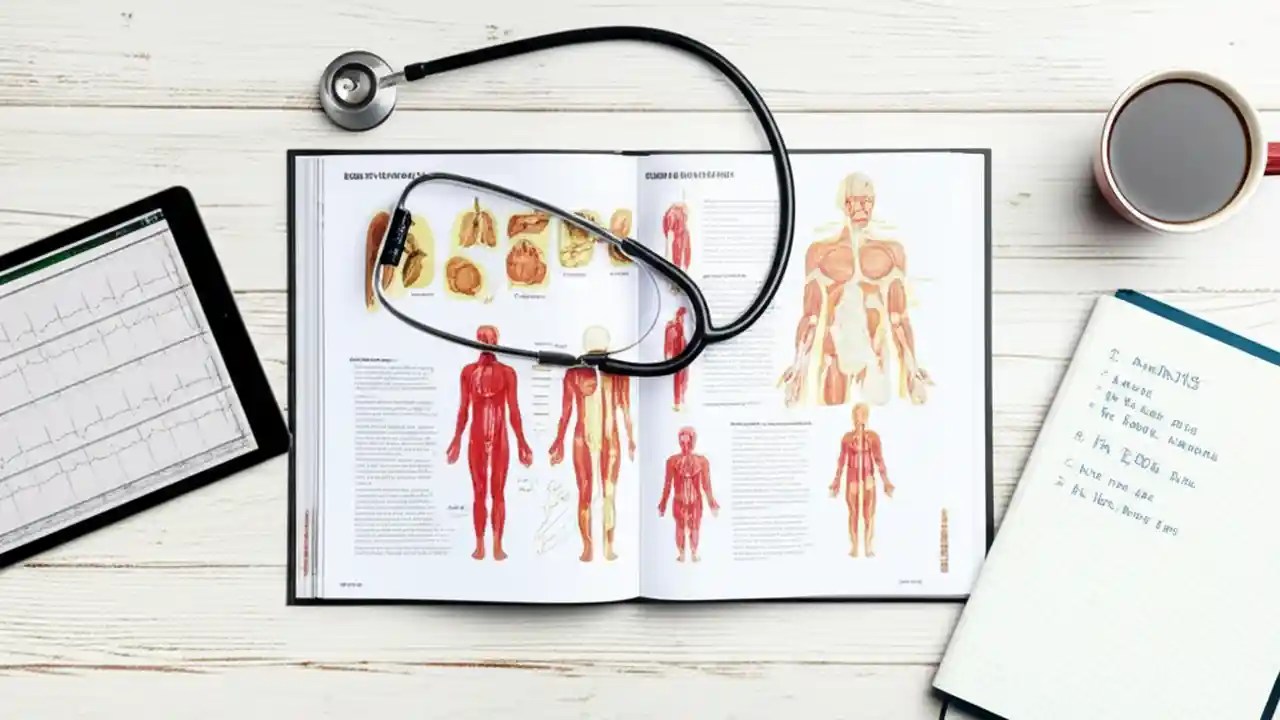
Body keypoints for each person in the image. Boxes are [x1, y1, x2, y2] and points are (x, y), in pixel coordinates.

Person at [779, 173, 931, 408]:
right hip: (834, 355)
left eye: (867, 200)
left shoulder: (891, 252)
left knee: (879, 415)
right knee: (832, 412)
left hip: (874, 354)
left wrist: (911, 369)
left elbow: (898, 317)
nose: (861, 207)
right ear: (845, 203)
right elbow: (811, 316)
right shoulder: (820, 253)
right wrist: (799, 367)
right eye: (855, 200)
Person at [445, 325, 533, 561]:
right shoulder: (468, 372)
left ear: (496, 341)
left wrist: (523, 442)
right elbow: (463, 409)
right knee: (479, 492)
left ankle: (497, 545)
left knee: (498, 492)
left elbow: (514, 410)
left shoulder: (507, 373)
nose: (486, 343)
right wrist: (456, 439)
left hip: (499, 438)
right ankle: (480, 545)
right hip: (476, 436)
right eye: (483, 339)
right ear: (477, 340)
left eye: (490, 339)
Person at [549, 326, 635, 561]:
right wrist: (558, 441)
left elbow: (625, 407)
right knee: (589, 493)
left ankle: (606, 546)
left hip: (608, 438)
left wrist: (631, 439)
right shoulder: (574, 374)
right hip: (586, 439)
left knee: (607, 493)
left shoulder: (618, 373)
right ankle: (589, 547)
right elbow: (565, 412)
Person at [829, 402, 894, 558]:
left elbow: (879, 460)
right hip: (853, 478)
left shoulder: (872, 437)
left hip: (868, 477)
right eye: (857, 415)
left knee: (869, 513)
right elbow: (842, 461)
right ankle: (854, 547)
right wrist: (837, 481)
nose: (860, 418)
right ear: (853, 417)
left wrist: (886, 481)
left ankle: (868, 546)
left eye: (863, 415)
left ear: (867, 416)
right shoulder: (847, 438)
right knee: (853, 512)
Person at [658, 426, 718, 562]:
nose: (685, 446)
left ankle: (692, 553)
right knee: (681, 526)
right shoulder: (672, 461)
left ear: (693, 441)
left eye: (688, 442)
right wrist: (663, 503)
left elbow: (706, 485)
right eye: (683, 442)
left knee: (694, 526)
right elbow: (667, 485)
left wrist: (712, 503)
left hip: (695, 501)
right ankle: (683, 553)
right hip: (680, 500)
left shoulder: (702, 461)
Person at [663, 307, 689, 411]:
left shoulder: (679, 327)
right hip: (677, 357)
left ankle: (680, 401)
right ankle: (678, 402)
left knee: (683, 380)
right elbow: (668, 343)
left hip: (683, 357)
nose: (681, 319)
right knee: (679, 380)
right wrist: (667, 354)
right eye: (680, 316)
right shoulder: (672, 326)